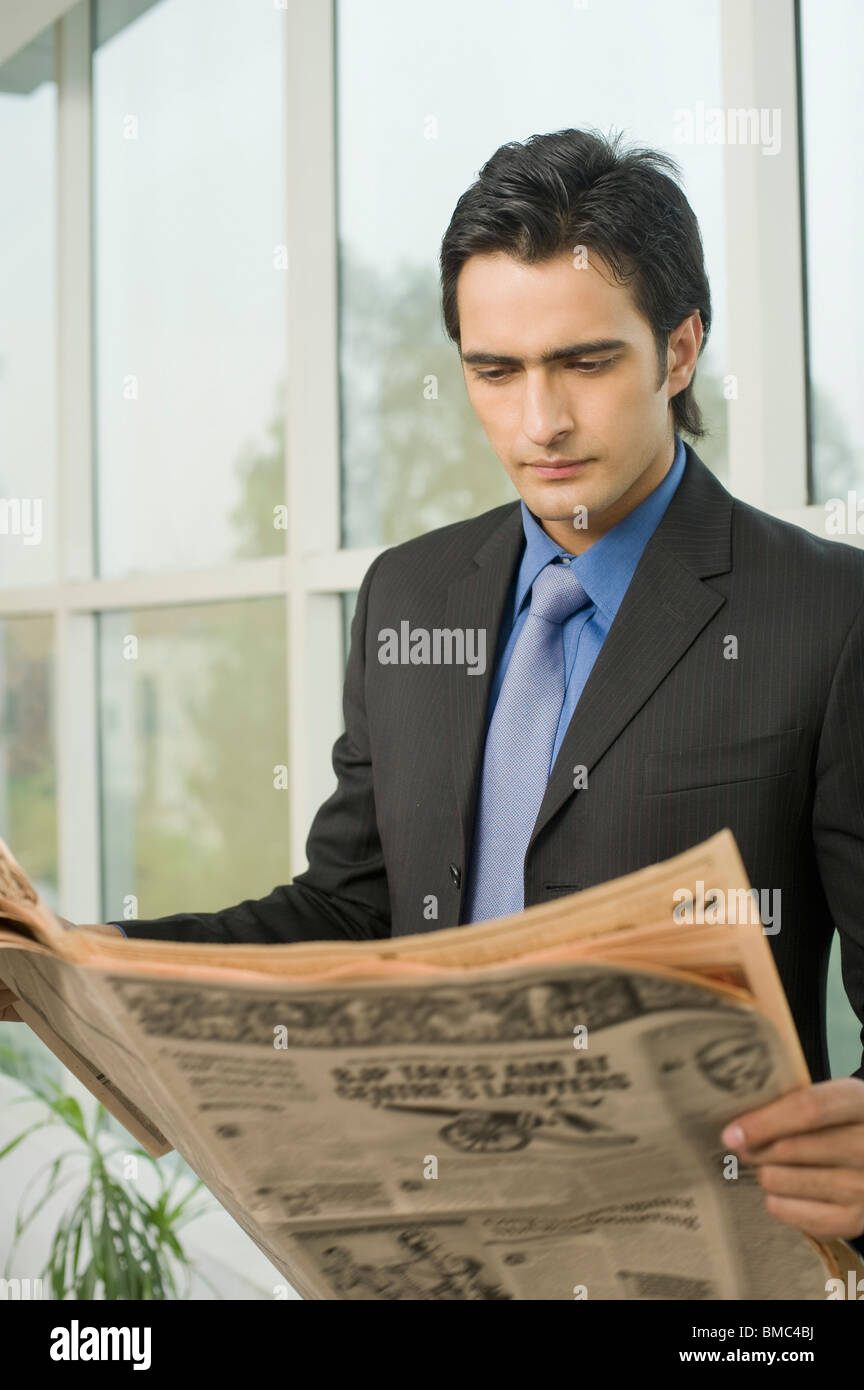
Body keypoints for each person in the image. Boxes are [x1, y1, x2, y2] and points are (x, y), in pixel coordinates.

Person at [3, 128, 863, 1255]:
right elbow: (350, 913)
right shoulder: (411, 596)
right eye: (495, 371)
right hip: (428, 1251)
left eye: (585, 364)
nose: (538, 422)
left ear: (681, 348)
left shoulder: (828, 615)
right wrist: (70, 967)